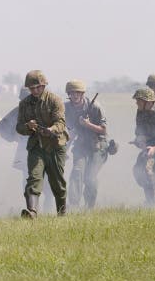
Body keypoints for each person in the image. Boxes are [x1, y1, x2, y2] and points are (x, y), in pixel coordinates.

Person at [16, 70, 69, 217]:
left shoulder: (54, 100)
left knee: (57, 182)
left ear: (44, 85)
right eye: (31, 88)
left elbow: (61, 123)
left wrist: (51, 129)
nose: (34, 90)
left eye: (37, 87)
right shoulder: (24, 104)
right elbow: (19, 127)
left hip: (55, 145)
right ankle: (32, 212)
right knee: (34, 178)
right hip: (36, 146)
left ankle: (62, 214)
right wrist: (28, 126)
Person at [64, 80, 108, 209]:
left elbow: (104, 130)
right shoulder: (66, 108)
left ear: (83, 94)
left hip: (98, 145)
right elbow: (70, 132)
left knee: (90, 177)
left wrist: (88, 125)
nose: (75, 95)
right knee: (77, 172)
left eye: (78, 93)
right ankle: (73, 205)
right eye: (72, 93)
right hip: (81, 145)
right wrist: (64, 150)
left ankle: (89, 206)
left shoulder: (95, 107)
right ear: (68, 94)